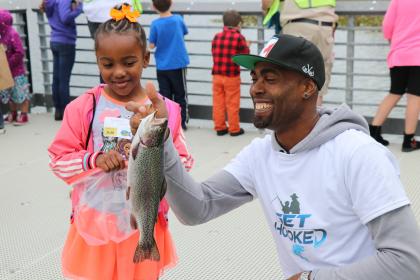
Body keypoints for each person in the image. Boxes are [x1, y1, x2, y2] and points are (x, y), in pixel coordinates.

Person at [129, 34, 420, 280]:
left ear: (308, 88)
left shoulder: (358, 154)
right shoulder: (260, 155)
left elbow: (407, 261)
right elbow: (197, 209)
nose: (255, 88)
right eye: (254, 78)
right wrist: (159, 141)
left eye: (270, 78)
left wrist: (310, 278)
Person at [47, 4, 193, 279]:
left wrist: (158, 143)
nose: (119, 72)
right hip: (95, 221)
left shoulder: (166, 110)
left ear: (146, 59)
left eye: (129, 62)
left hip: (143, 221)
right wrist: (94, 159)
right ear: (97, 61)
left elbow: (184, 164)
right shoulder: (83, 107)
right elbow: (58, 160)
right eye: (108, 64)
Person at [262, 0, 338, 106]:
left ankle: (293, 121)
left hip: (296, 25)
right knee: (317, 88)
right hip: (325, 26)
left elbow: (267, 2)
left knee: (290, 81)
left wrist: (265, 9)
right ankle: (314, 121)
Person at [369, 0, 420, 152]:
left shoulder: (398, 1)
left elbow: (387, 25)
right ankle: (408, 140)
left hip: (398, 55)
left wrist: (395, 40)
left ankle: (374, 132)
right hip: (418, 56)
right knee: (415, 97)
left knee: (394, 93)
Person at [149, 0, 190, 130]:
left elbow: (151, 45)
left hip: (162, 66)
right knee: (180, 95)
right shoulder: (178, 19)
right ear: (171, 3)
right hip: (178, 64)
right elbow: (184, 32)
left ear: (154, 6)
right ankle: (182, 122)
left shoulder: (155, 24)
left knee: (165, 96)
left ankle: (168, 123)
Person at [40, 0, 83, 121]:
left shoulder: (50, 2)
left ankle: (58, 111)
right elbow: (65, 17)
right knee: (64, 79)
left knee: (57, 78)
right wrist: (79, 8)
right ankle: (65, 112)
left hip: (55, 40)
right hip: (66, 42)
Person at [211, 10, 250, 137]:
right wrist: (247, 45)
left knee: (218, 102)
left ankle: (220, 127)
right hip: (232, 76)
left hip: (217, 75)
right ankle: (234, 129)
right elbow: (245, 56)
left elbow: (214, 52)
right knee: (232, 103)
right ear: (238, 24)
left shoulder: (217, 36)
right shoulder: (239, 37)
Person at [0, 9, 31, 126]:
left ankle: (24, 113)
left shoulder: (13, 34)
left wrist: (8, 63)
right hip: (6, 72)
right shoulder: (1, 35)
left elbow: (19, 52)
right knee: (9, 94)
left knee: (21, 93)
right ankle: (12, 112)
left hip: (17, 71)